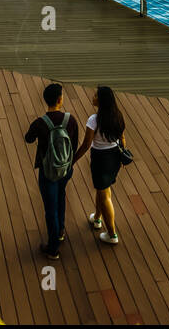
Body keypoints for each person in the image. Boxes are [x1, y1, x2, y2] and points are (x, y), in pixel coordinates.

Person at [23, 82, 80, 260]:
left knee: (50, 210)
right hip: (65, 169)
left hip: (48, 172)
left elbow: (28, 138)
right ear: (59, 100)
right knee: (61, 196)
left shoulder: (41, 123)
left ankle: (53, 248)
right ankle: (61, 231)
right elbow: (75, 142)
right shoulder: (70, 120)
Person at [72, 85, 127, 246]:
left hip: (100, 159)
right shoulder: (118, 116)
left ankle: (112, 234)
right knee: (103, 188)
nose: (93, 97)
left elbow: (86, 144)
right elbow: (122, 138)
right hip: (114, 158)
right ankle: (97, 218)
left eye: (95, 95)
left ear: (101, 101)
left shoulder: (93, 120)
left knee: (105, 195)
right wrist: (122, 154)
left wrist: (73, 160)